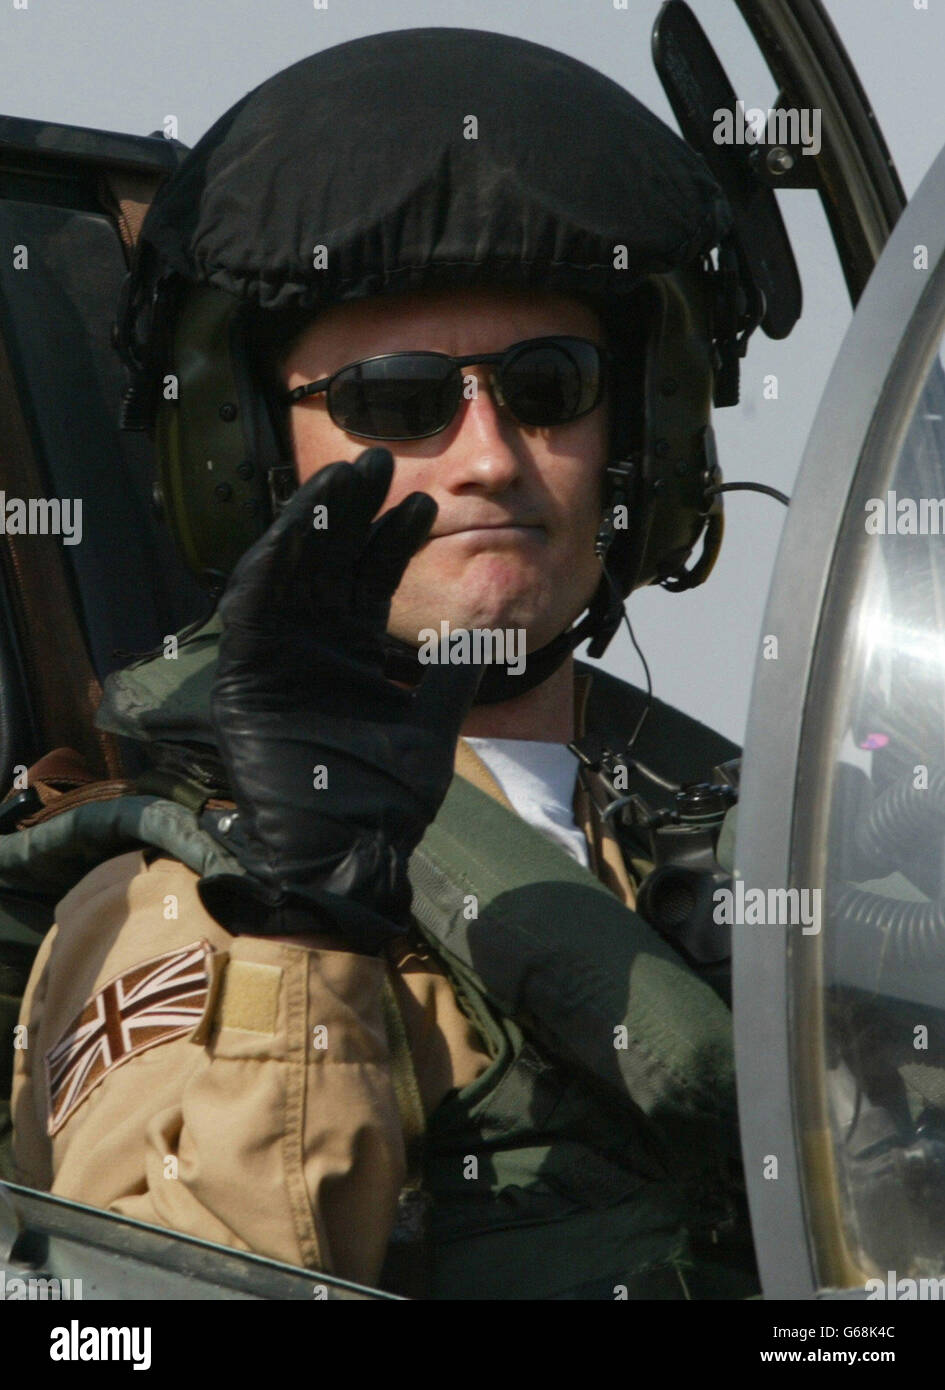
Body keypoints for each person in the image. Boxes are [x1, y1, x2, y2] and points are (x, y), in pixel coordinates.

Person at [8, 27, 758, 1299]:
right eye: (397, 400)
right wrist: (306, 928)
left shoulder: (763, 831)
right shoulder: (184, 905)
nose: (487, 457)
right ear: (249, 459)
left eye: (549, 383)